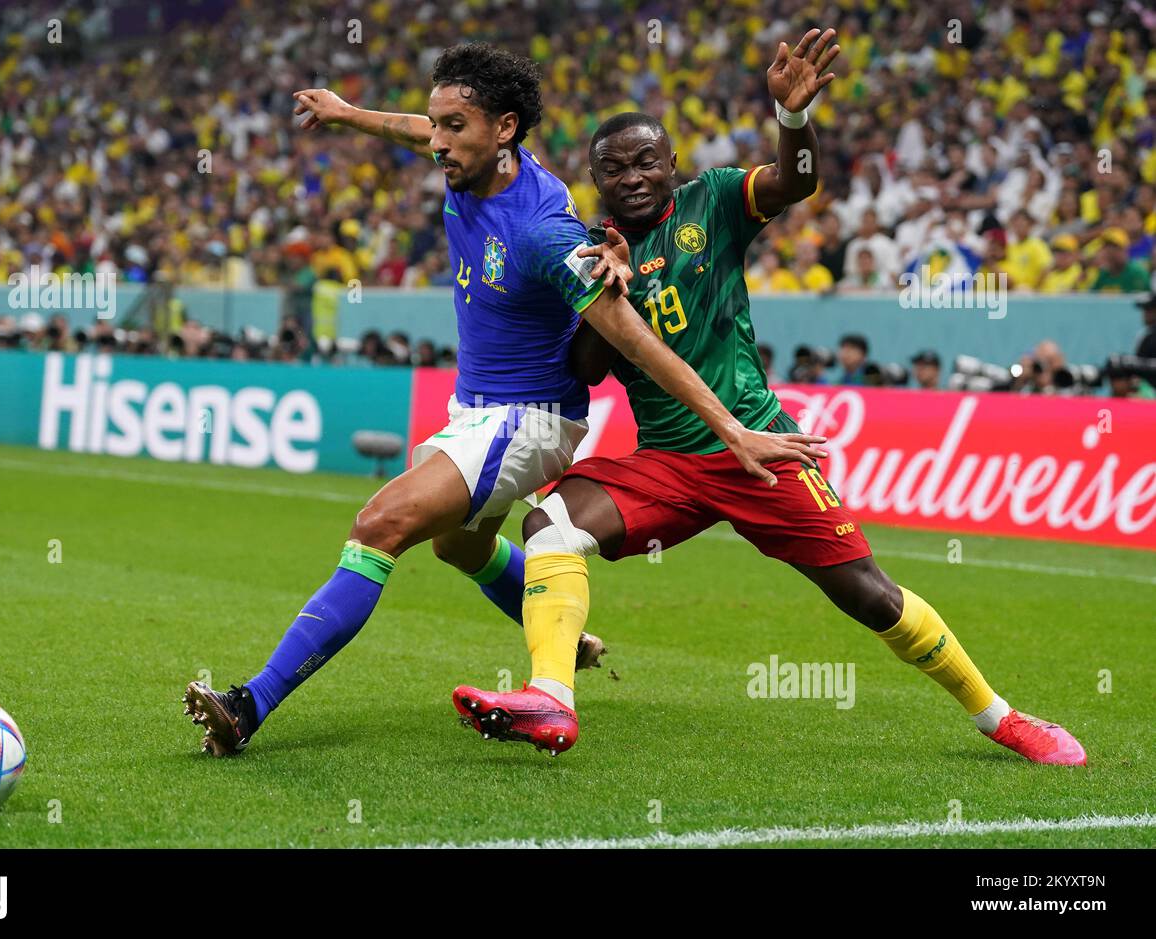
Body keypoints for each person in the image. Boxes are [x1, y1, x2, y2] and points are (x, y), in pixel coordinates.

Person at [450, 28, 1085, 767]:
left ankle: (1004, 720)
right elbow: (590, 369)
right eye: (613, 169)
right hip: (668, 462)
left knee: (871, 597)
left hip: (759, 448)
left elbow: (797, 183)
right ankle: (552, 698)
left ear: (672, 166)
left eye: (645, 162)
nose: (631, 178)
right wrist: (607, 285)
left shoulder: (713, 204)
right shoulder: (583, 247)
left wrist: (792, 119)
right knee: (550, 524)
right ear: (595, 180)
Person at [183, 43, 822, 755]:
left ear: (505, 129)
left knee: (380, 523)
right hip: (477, 410)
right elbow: (410, 129)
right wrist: (343, 114)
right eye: (437, 124)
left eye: (455, 127)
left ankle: (249, 704)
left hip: (530, 420)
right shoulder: (463, 157)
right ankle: (562, 631)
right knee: (460, 545)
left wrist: (732, 428)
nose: (438, 140)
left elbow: (637, 342)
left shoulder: (545, 231)